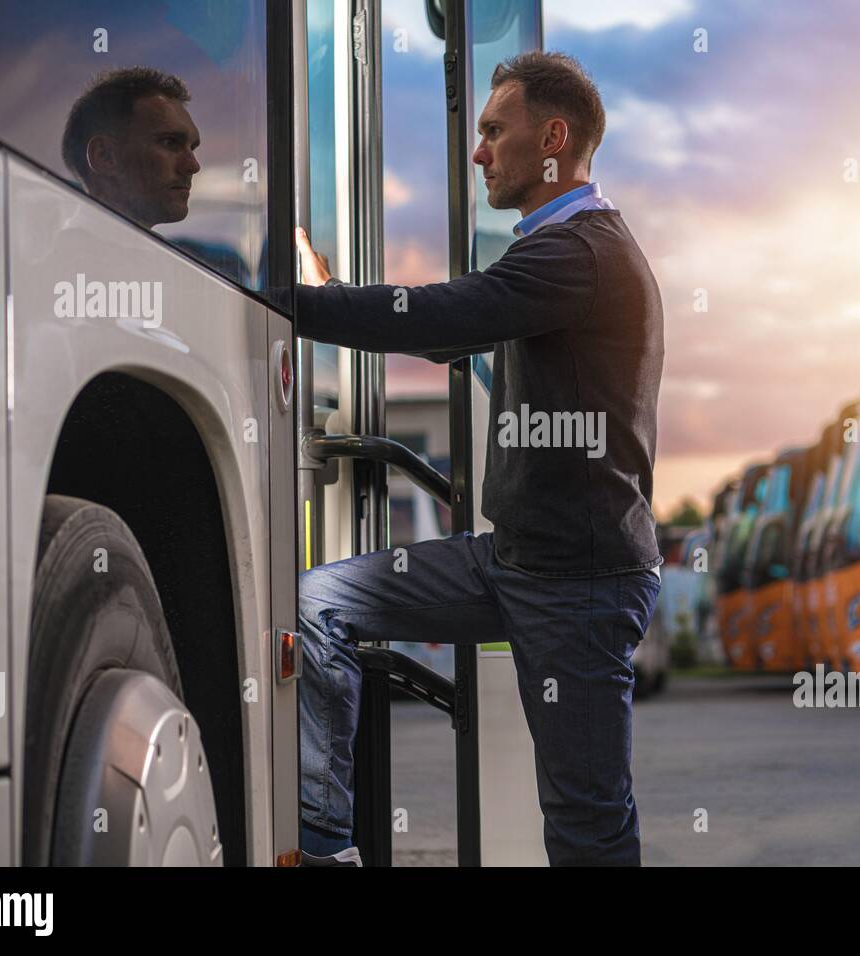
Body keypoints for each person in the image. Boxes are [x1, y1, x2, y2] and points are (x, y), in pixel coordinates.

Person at [295, 51, 664, 867]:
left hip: (581, 585)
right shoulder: (554, 254)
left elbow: (440, 314)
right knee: (319, 601)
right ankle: (323, 844)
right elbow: (456, 331)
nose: (478, 150)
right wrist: (335, 294)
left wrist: (298, 304)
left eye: (496, 130)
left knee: (586, 824)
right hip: (513, 562)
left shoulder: (580, 254)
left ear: (553, 140)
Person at [61, 66, 200, 229]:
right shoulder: (71, 246)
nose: (193, 166)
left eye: (192, 148)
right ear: (104, 156)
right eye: (170, 142)